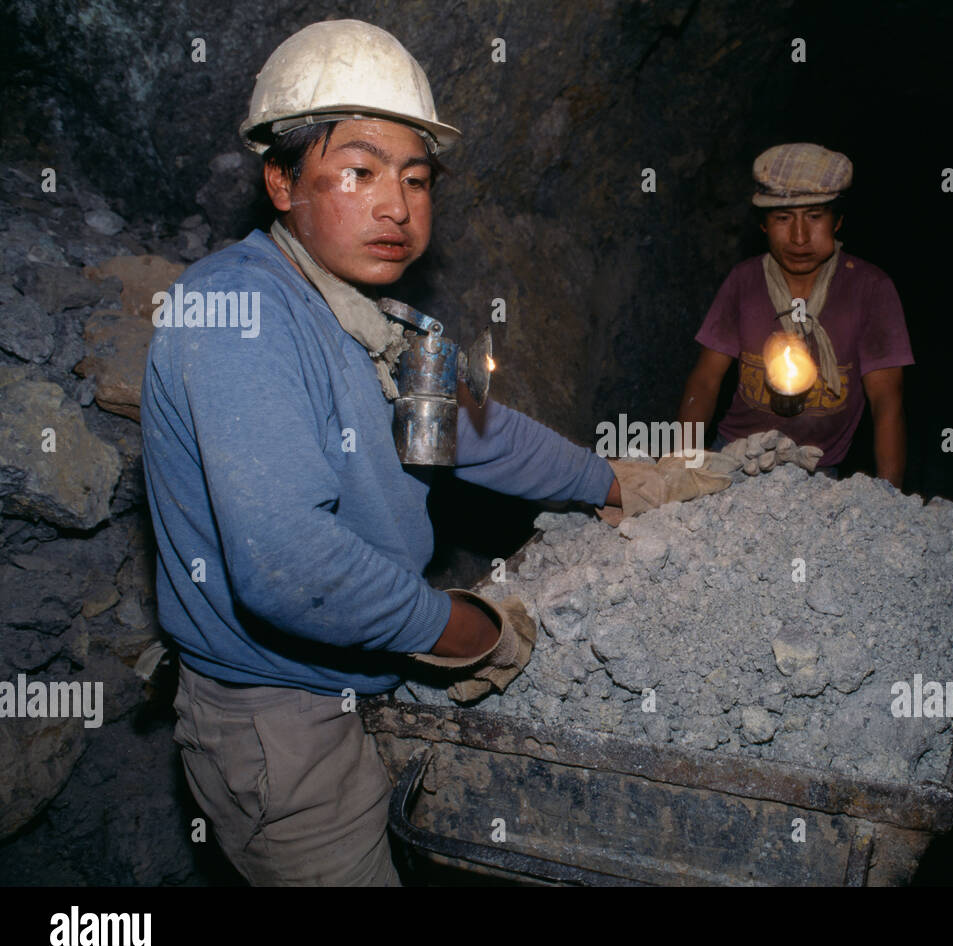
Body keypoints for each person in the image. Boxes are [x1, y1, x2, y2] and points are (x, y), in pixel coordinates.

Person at [139, 19, 717, 886]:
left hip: (359, 665)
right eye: (359, 172)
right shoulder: (238, 314)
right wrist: (465, 630)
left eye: (416, 179)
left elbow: (470, 434)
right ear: (280, 180)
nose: (396, 206)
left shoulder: (369, 315)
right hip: (278, 715)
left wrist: (614, 483)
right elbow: (289, 566)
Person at [676, 143, 914, 488]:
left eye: (815, 217)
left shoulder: (870, 289)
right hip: (734, 455)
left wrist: (889, 498)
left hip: (816, 470)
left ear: (839, 220)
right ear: (762, 225)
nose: (799, 237)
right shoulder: (745, 281)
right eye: (783, 218)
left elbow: (886, 401)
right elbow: (706, 381)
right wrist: (682, 466)